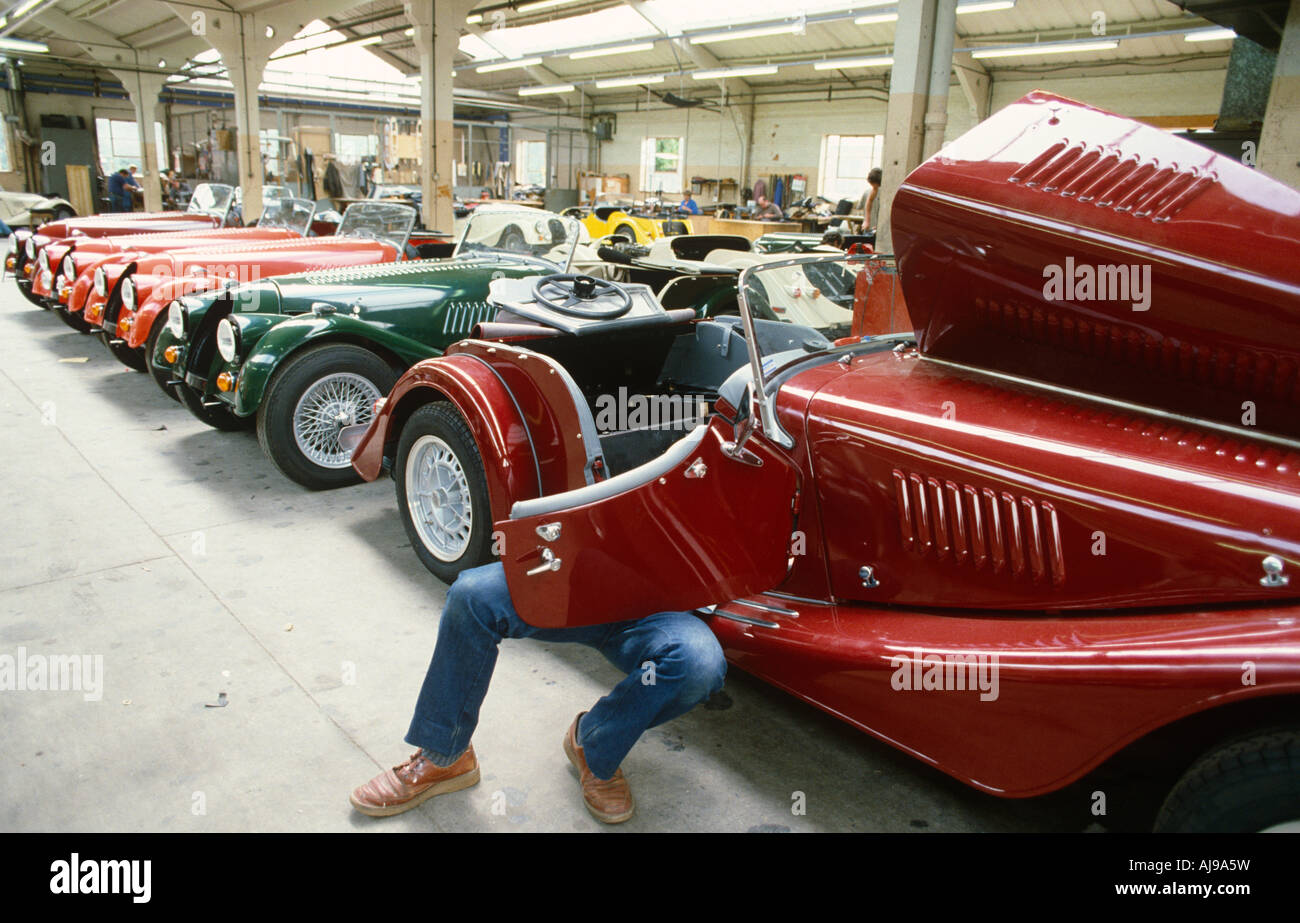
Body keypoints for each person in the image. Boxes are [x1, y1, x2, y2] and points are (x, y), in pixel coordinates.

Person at [349, 562, 727, 824]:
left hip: (658, 613)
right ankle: (445, 756)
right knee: (472, 596)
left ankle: (594, 744)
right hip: (573, 583)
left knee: (699, 663)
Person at [858, 167, 882, 231]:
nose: (874, 188)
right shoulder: (870, 191)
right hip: (871, 225)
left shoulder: (886, 193)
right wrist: (867, 221)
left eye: (874, 186)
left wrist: (879, 225)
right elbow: (869, 202)